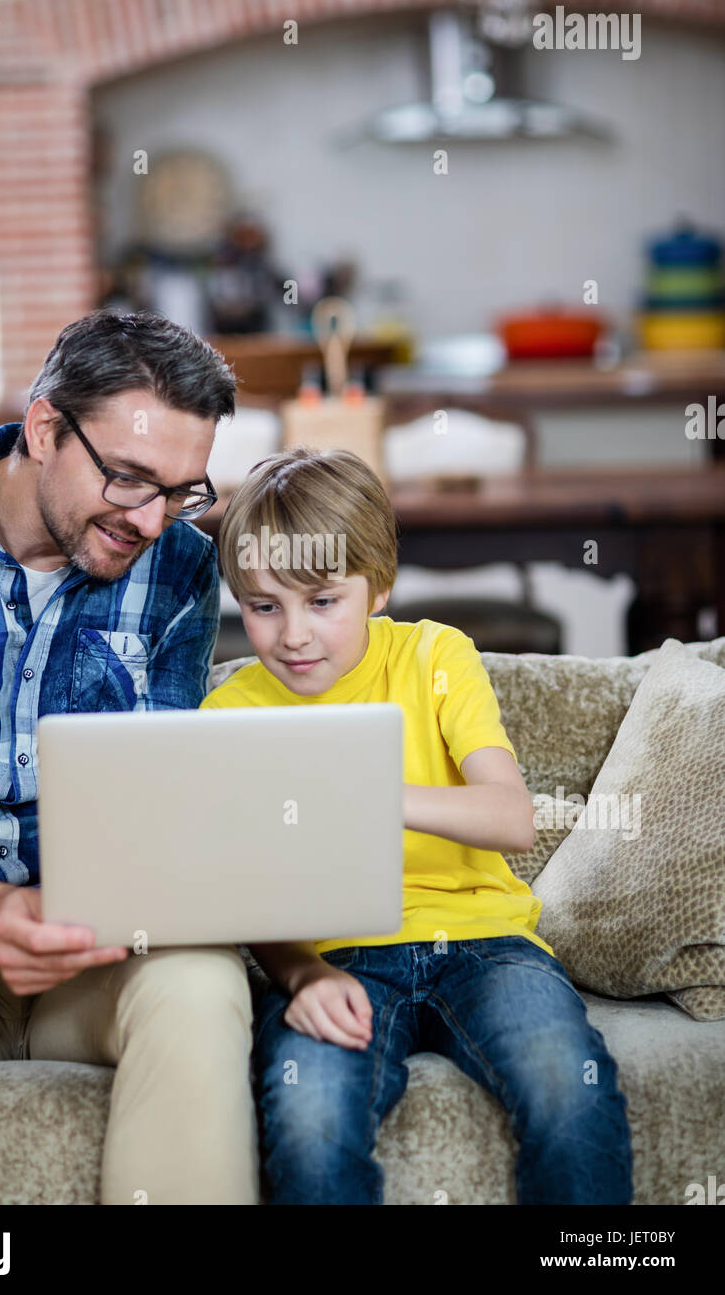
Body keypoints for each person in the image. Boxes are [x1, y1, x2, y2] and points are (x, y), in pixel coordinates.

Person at [0, 309, 259, 1205]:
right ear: (45, 430)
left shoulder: (178, 570)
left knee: (199, 981)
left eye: (183, 491)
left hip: (96, 957)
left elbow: (162, 792)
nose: (154, 520)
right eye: (129, 479)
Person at [200, 446, 634, 1206]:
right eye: (265, 606)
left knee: (571, 1090)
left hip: (486, 946)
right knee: (308, 1118)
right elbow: (247, 891)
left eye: (322, 601)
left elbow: (511, 818)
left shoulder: (436, 655)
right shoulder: (232, 711)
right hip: (336, 955)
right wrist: (300, 974)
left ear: (378, 587)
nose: (293, 635)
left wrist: (364, 790)